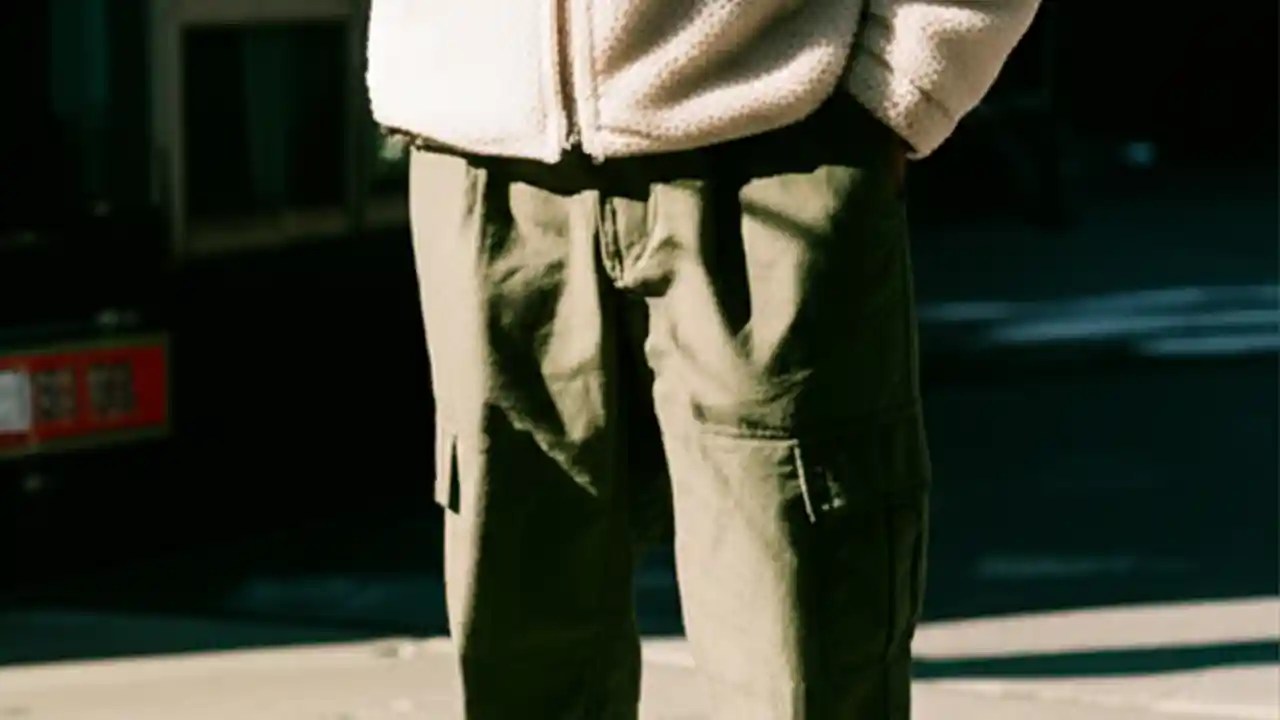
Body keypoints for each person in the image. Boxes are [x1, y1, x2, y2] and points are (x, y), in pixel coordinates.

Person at [367, 1, 1038, 717]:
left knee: (798, 658)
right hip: (476, 146)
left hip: (775, 130)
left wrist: (900, 85)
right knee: (523, 670)